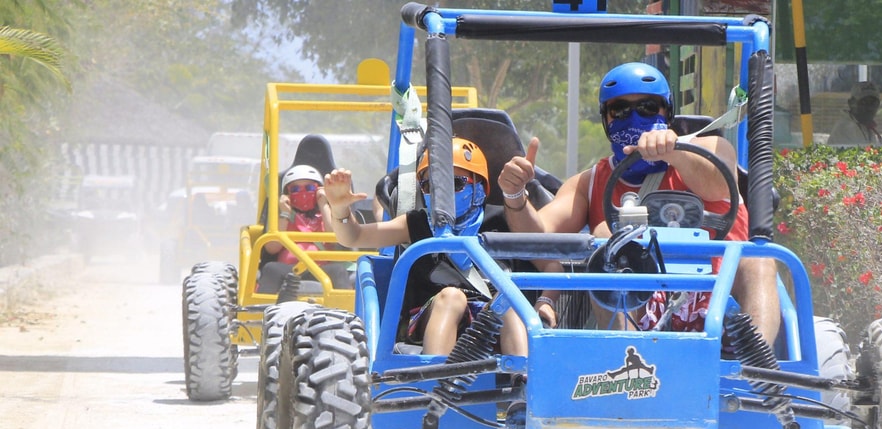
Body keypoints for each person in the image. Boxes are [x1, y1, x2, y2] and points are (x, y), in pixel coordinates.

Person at [498, 61, 780, 342]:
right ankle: (629, 367)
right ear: (606, 120)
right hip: (640, 307)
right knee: (605, 237)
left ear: (667, 113)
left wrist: (673, 151)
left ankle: (758, 368)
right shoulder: (590, 182)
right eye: (619, 110)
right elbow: (539, 236)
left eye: (647, 108)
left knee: (759, 260)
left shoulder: (710, 149)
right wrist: (514, 193)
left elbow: (718, 183)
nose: (633, 118)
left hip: (721, 298)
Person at [322, 137, 557, 356]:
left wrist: (546, 302)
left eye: (455, 183)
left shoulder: (502, 221)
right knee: (452, 298)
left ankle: (522, 385)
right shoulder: (417, 223)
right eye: (428, 186)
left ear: (479, 187)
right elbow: (353, 238)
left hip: (492, 321)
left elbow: (552, 266)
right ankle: (435, 386)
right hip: (430, 316)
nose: (439, 195)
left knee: (508, 301)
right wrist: (340, 210)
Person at [258, 164, 353, 293]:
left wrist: (324, 204)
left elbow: (335, 239)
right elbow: (272, 248)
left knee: (338, 270)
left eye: (309, 187)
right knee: (271, 268)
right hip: (289, 269)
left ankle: (346, 309)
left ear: (319, 189)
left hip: (321, 269)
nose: (303, 193)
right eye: (296, 189)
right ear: (287, 194)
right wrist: (285, 213)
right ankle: (259, 311)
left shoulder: (327, 214)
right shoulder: (282, 216)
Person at [827, 80, 882, 146]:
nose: (869, 107)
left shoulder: (866, 127)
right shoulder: (846, 127)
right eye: (864, 102)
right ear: (851, 103)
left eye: (874, 103)